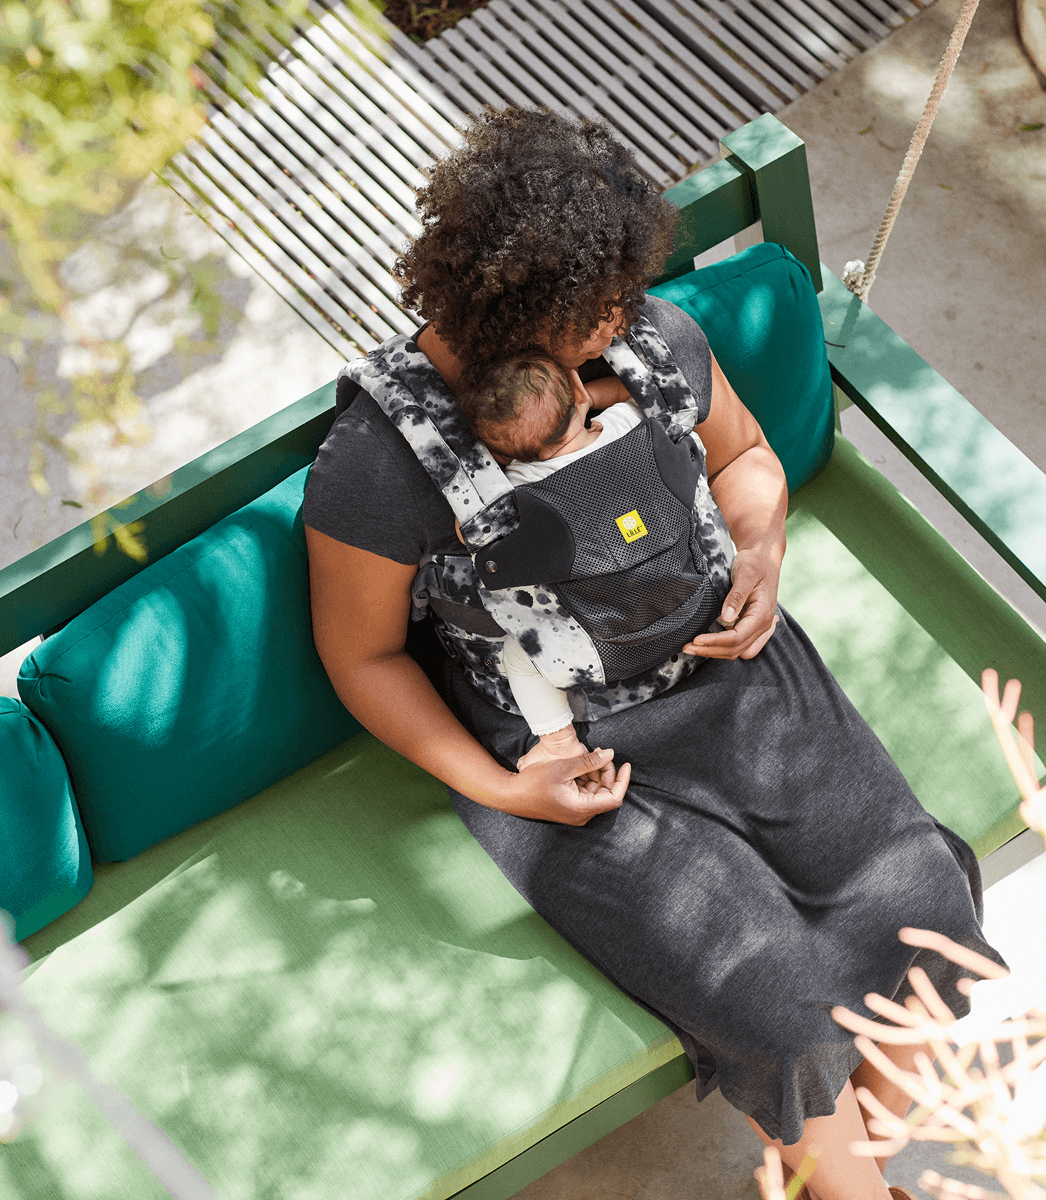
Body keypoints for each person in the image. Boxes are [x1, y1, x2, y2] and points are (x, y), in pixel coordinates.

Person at [302, 105, 1005, 1200]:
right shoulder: (377, 464)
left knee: (928, 904)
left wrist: (763, 544)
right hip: (580, 764)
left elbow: (745, 459)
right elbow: (363, 660)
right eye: (603, 304)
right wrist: (503, 787)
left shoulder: (653, 344)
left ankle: (830, 1172)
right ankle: (854, 1182)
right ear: (524, 315)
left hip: (741, 680)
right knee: (778, 1007)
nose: (631, 315)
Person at [458, 349, 701, 771]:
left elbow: (471, 536)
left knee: (521, 656)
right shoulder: (630, 423)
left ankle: (558, 742)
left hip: (606, 651)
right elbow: (639, 388)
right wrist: (586, 393)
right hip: (693, 603)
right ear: (578, 392)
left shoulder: (518, 489)